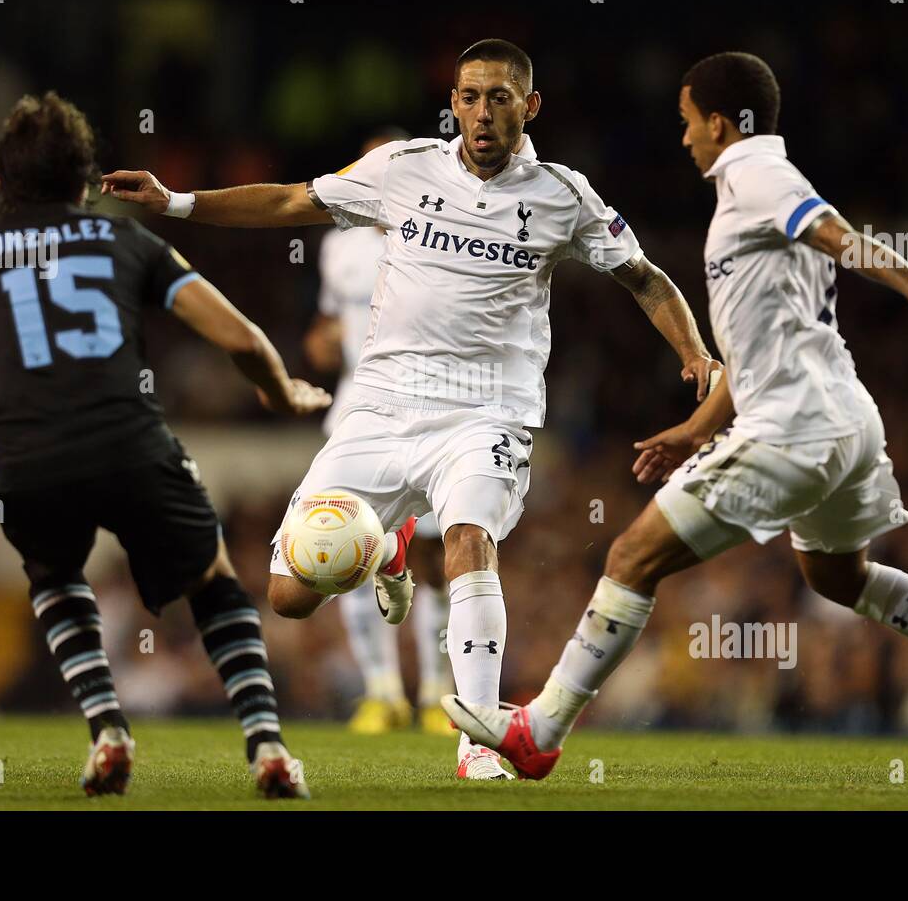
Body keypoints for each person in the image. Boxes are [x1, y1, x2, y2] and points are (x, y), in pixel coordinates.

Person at [102, 39, 719, 780]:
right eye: (468, 96)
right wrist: (175, 200)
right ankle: (386, 546)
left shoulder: (565, 195)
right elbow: (296, 199)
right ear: (452, 102)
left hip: (487, 414)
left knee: (467, 538)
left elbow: (646, 279)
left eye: (498, 97)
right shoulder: (403, 168)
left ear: (530, 105)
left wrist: (695, 351)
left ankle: (479, 741)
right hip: (382, 405)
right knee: (290, 592)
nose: (481, 113)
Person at [442, 52, 908, 778]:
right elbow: (766, 337)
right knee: (839, 578)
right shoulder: (752, 195)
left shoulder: (757, 174)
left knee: (631, 558)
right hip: (845, 419)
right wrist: (698, 428)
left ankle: (538, 731)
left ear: (722, 123)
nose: (683, 139)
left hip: (796, 427)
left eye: (687, 123)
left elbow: (836, 232)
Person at [0, 92, 330, 799]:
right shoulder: (130, 241)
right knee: (212, 580)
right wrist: (282, 392)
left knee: (55, 574)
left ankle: (107, 729)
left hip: (27, 464)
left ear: (0, 186)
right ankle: (268, 746)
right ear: (85, 182)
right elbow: (240, 336)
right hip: (129, 441)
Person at [303, 129, 455, 736]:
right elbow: (329, 323)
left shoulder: (443, 237)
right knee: (350, 543)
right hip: (356, 411)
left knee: (442, 555)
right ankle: (382, 692)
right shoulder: (338, 246)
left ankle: (439, 693)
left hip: (431, 410)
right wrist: (320, 343)